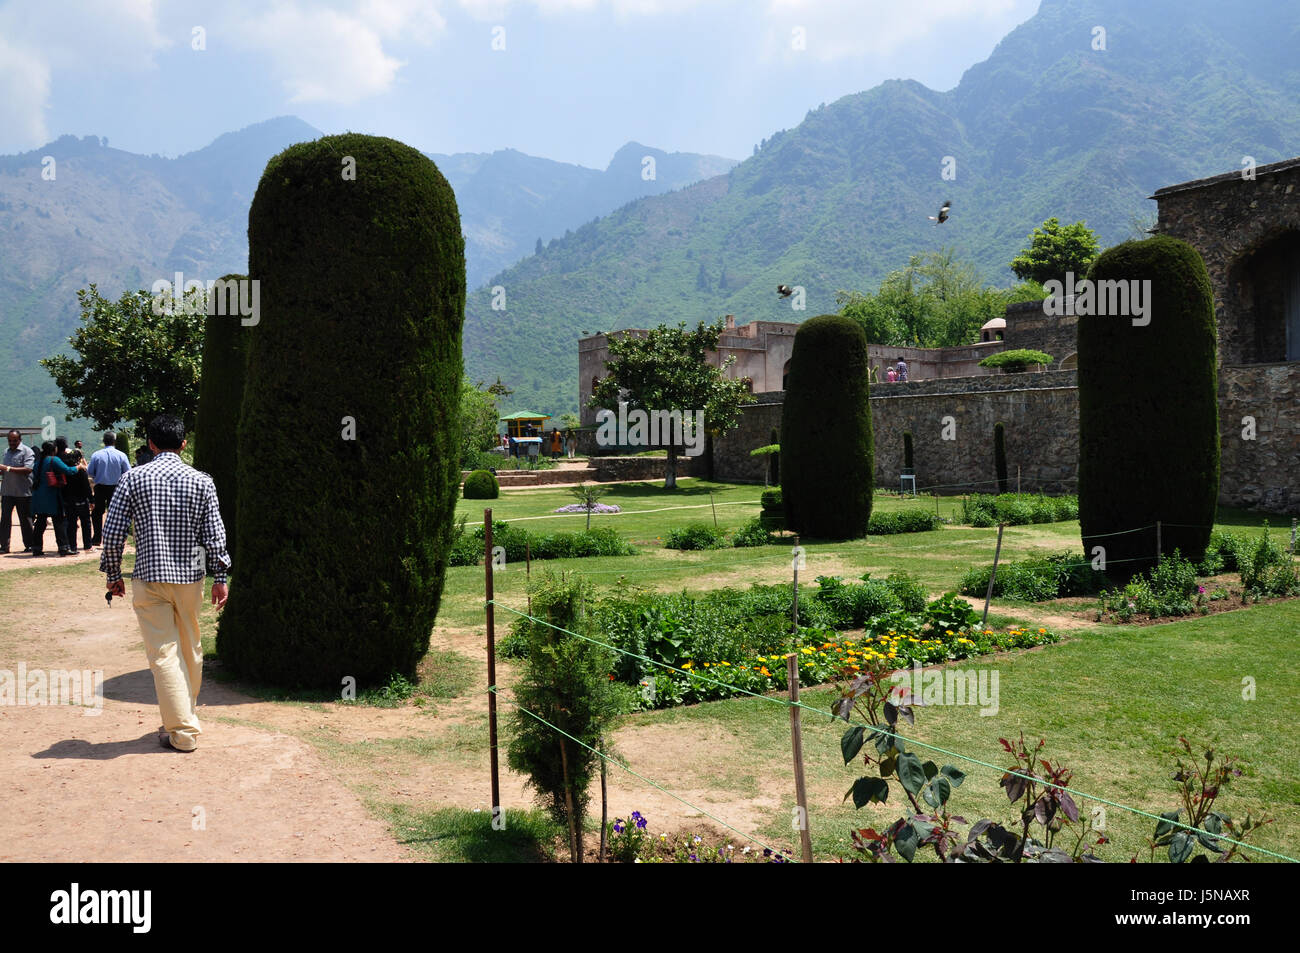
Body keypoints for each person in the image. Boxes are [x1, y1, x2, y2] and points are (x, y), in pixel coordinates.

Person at [100, 414, 229, 753]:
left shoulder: (133, 478)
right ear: (184, 443)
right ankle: (184, 715)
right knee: (191, 647)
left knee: (163, 654)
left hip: (149, 577)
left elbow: (112, 533)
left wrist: (113, 575)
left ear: (151, 444)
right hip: (190, 578)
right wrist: (221, 577)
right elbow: (215, 536)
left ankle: (183, 730)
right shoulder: (202, 481)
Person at [31, 441, 85, 556]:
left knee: (40, 522)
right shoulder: (53, 460)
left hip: (39, 495)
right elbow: (68, 470)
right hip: (52, 495)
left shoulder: (39, 461)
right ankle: (63, 547)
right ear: (53, 449)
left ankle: (36, 548)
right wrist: (79, 467)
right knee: (59, 521)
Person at [88, 430, 130, 546]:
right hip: (116, 488)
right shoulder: (121, 455)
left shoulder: (96, 455)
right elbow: (128, 472)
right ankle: (116, 538)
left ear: (104, 441)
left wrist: (98, 476)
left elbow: (90, 472)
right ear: (114, 441)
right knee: (116, 513)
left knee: (97, 513)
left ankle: (97, 538)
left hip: (100, 487)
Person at [0, 430, 36, 553]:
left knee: (25, 520)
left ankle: (30, 545)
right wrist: (2, 470)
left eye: (14, 440)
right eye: (10, 440)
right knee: (4, 520)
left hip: (23, 492)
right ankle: (4, 546)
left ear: (19, 439)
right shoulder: (6, 452)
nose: (12, 443)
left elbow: (28, 469)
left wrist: (7, 468)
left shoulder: (27, 451)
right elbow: (6, 470)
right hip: (7, 491)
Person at [62, 449, 94, 553]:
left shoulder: (66, 470)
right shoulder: (80, 470)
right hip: (81, 500)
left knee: (71, 524)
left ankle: (72, 547)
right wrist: (91, 500)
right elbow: (86, 487)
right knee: (86, 523)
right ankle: (87, 546)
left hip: (68, 500)